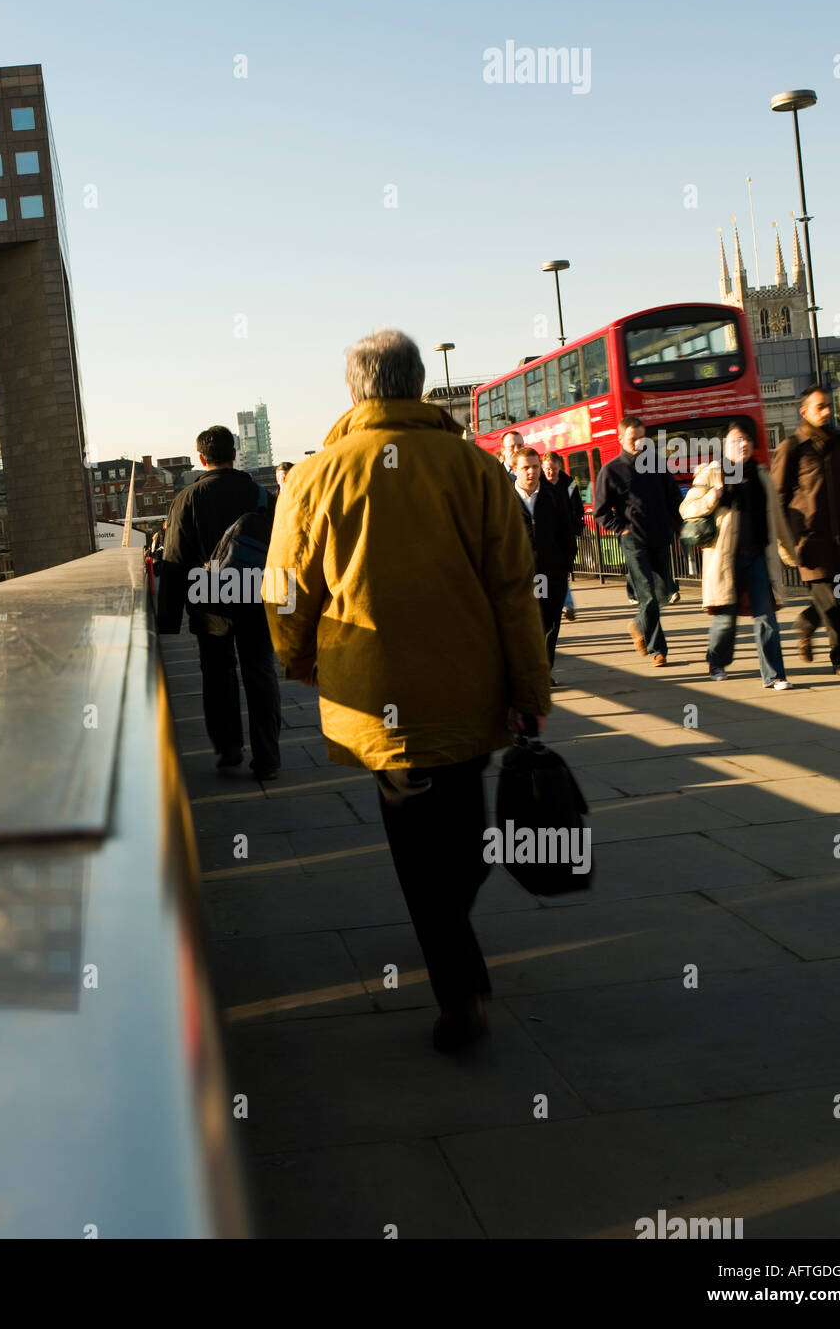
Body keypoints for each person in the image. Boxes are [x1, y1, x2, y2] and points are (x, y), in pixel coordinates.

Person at [263, 329, 552, 1053]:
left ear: (356, 390)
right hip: (471, 683)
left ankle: (461, 997)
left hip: (378, 690)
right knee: (463, 839)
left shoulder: (317, 476)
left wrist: (295, 658)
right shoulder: (474, 468)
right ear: (419, 385)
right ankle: (462, 957)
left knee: (422, 855)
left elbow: (285, 588)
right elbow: (515, 590)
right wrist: (529, 683)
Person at [157, 426, 282, 779]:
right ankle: (268, 758)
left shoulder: (188, 498)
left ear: (201, 458)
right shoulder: (260, 495)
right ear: (235, 453)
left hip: (209, 596)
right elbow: (284, 550)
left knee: (217, 675)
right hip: (255, 594)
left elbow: (175, 560)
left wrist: (167, 619)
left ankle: (229, 750)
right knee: (260, 673)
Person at [679, 418, 797, 688]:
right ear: (724, 445)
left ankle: (775, 676)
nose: (742, 444)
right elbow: (687, 509)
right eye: (735, 440)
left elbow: (776, 519)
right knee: (725, 621)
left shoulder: (762, 476)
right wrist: (714, 496)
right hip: (725, 561)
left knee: (766, 617)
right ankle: (716, 660)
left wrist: (791, 555)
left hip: (757, 556)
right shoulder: (712, 473)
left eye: (745, 439)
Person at [771, 387, 840, 676]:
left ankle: (806, 623)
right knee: (831, 599)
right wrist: (785, 538)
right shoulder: (793, 446)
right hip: (808, 537)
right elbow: (778, 497)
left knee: (834, 594)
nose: (826, 412)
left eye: (828, 406)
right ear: (804, 412)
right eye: (820, 407)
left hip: (839, 535)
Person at [594, 416, 682, 667]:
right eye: (633, 439)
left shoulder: (657, 464)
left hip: (661, 537)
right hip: (634, 541)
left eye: (642, 438)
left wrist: (684, 524)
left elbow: (673, 497)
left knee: (663, 594)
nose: (638, 443)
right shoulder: (611, 470)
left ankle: (637, 624)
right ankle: (658, 649)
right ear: (621, 438)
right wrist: (621, 529)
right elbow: (601, 511)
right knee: (649, 597)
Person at [512, 448, 577, 684]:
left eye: (535, 466)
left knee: (550, 622)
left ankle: (543, 671)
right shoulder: (504, 499)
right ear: (515, 470)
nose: (532, 471)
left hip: (552, 570)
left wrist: (566, 561)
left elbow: (567, 531)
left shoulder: (554, 495)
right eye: (526, 467)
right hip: (520, 574)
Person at [542, 451, 584, 622]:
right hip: (547, 535)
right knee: (554, 573)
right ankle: (565, 604)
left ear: (560, 466)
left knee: (562, 571)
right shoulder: (539, 483)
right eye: (547, 469)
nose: (550, 472)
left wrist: (575, 525)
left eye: (553, 468)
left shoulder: (569, 482)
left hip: (566, 535)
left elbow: (578, 506)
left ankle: (563, 604)